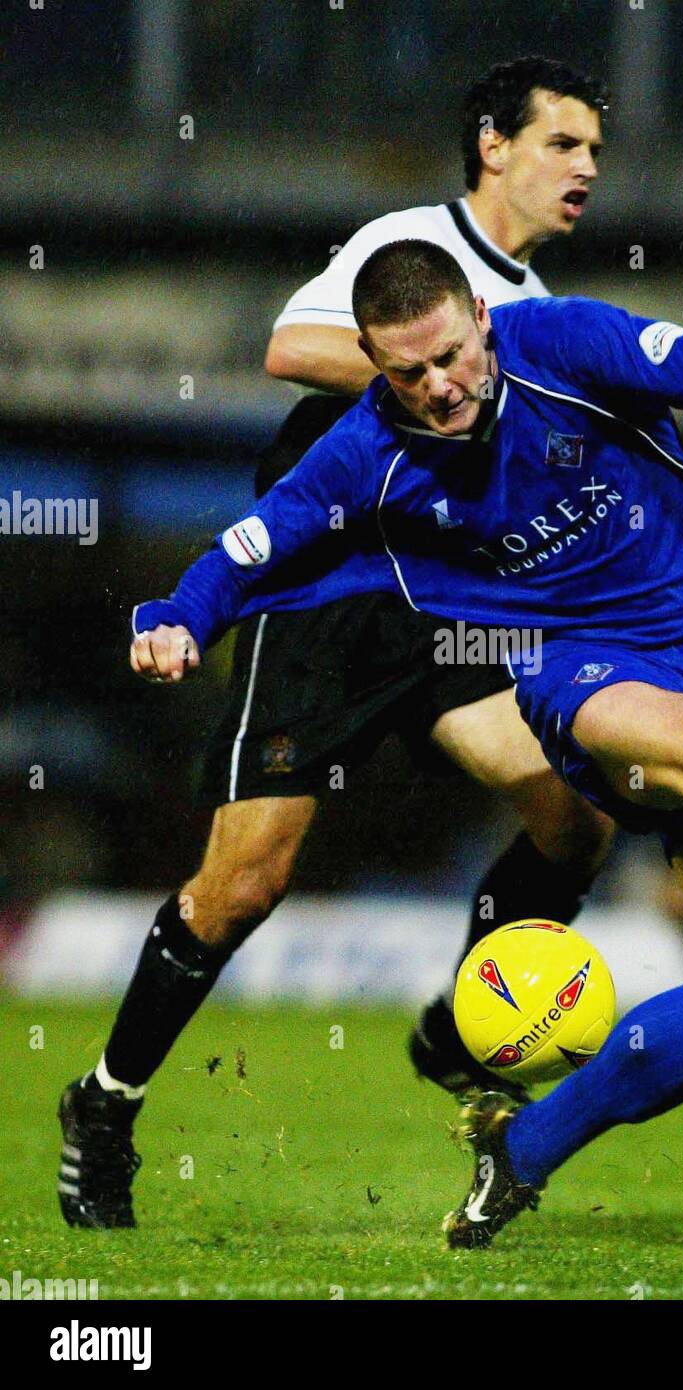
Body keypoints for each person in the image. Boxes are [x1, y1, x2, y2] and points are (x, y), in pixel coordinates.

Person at [127, 240, 683, 1248]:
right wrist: (178, 614)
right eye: (408, 373)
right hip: (580, 668)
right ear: (376, 366)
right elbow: (261, 539)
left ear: (480, 317)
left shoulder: (570, 343)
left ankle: (523, 1148)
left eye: (451, 355)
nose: (439, 386)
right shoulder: (371, 449)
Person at [56, 57, 615, 1233]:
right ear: (494, 145)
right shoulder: (419, 244)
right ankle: (105, 1105)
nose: (586, 169)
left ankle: (468, 1031)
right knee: (244, 883)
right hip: (325, 594)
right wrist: (445, 368)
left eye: (595, 150)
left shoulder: (536, 295)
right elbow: (288, 346)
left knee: (574, 806)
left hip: (446, 597)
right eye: (564, 143)